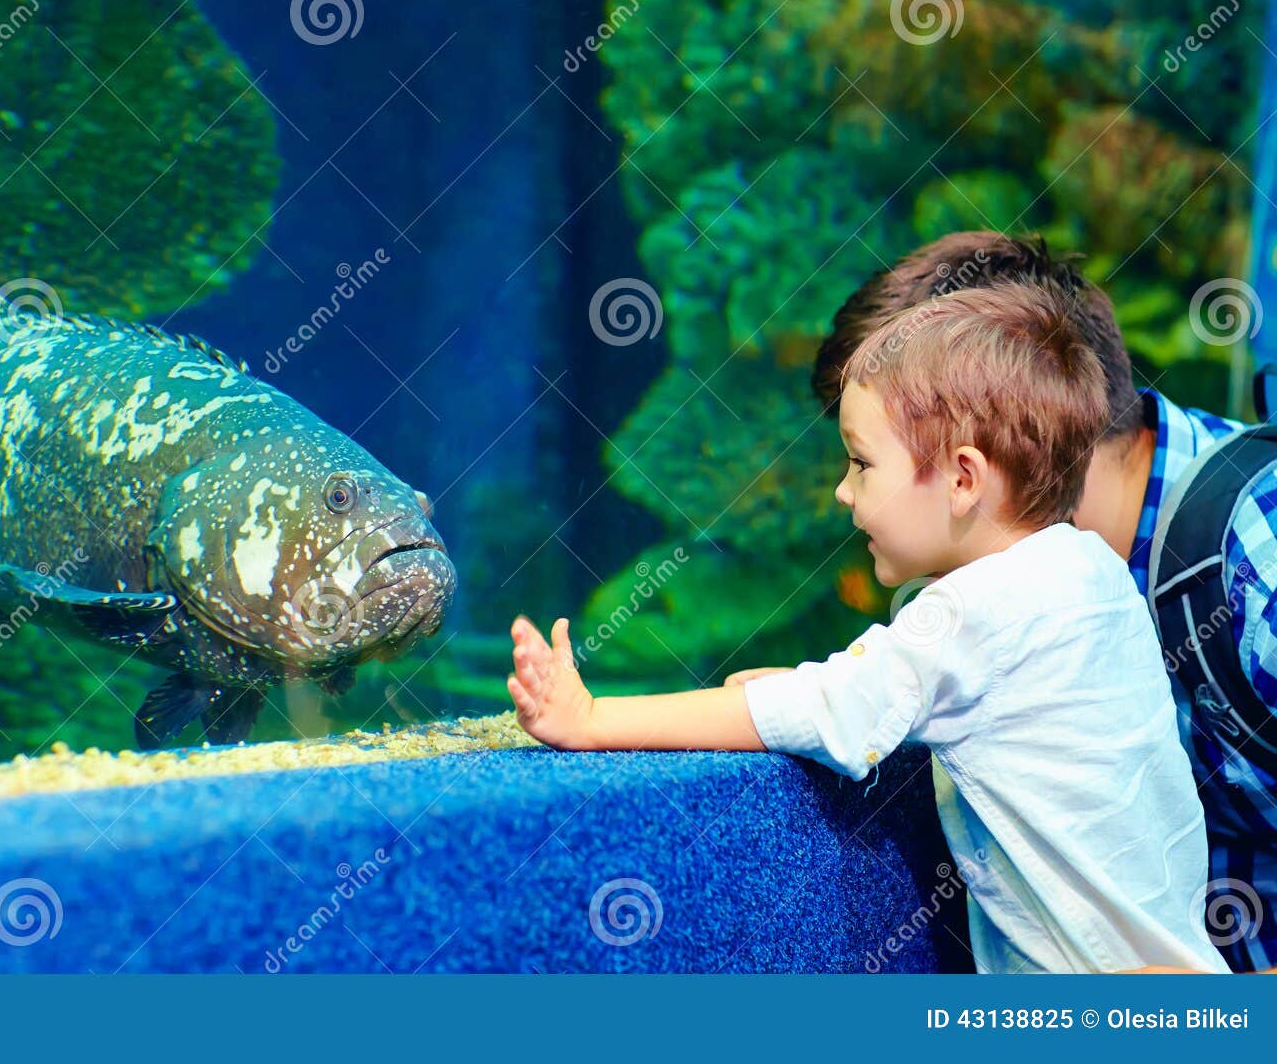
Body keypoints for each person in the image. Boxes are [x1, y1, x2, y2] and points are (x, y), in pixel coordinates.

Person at [506, 280, 1228, 974]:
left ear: (963, 478)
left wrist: (592, 716)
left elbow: (829, 710)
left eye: (861, 462)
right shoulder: (1091, 571)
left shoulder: (977, 609)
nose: (842, 491)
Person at [810, 232, 1276, 972]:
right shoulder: (1027, 597)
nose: (850, 497)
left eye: (874, 460)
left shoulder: (1255, 558)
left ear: (979, 459)